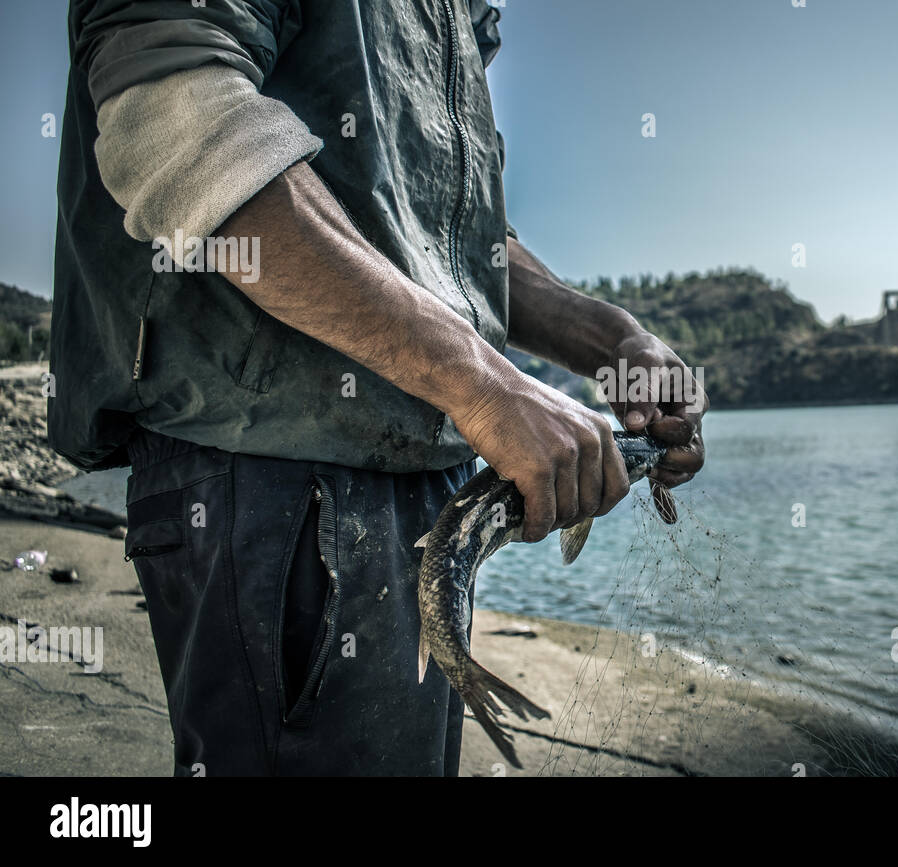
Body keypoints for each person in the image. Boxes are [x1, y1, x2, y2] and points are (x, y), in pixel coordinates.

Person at [51, 0, 706, 776]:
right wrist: (488, 387)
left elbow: (450, 241)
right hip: (270, 484)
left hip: (422, 483)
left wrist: (611, 338)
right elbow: (176, 120)